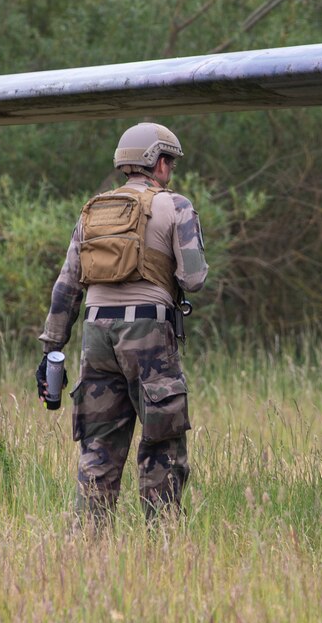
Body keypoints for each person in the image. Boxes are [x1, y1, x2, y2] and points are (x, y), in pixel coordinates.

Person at [37, 122, 208, 522]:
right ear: (159, 162)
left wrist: (51, 350)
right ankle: (162, 545)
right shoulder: (176, 206)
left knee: (98, 451)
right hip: (147, 332)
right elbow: (194, 279)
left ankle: (88, 550)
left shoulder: (93, 211)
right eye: (170, 161)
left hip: (96, 335)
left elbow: (66, 287)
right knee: (161, 446)